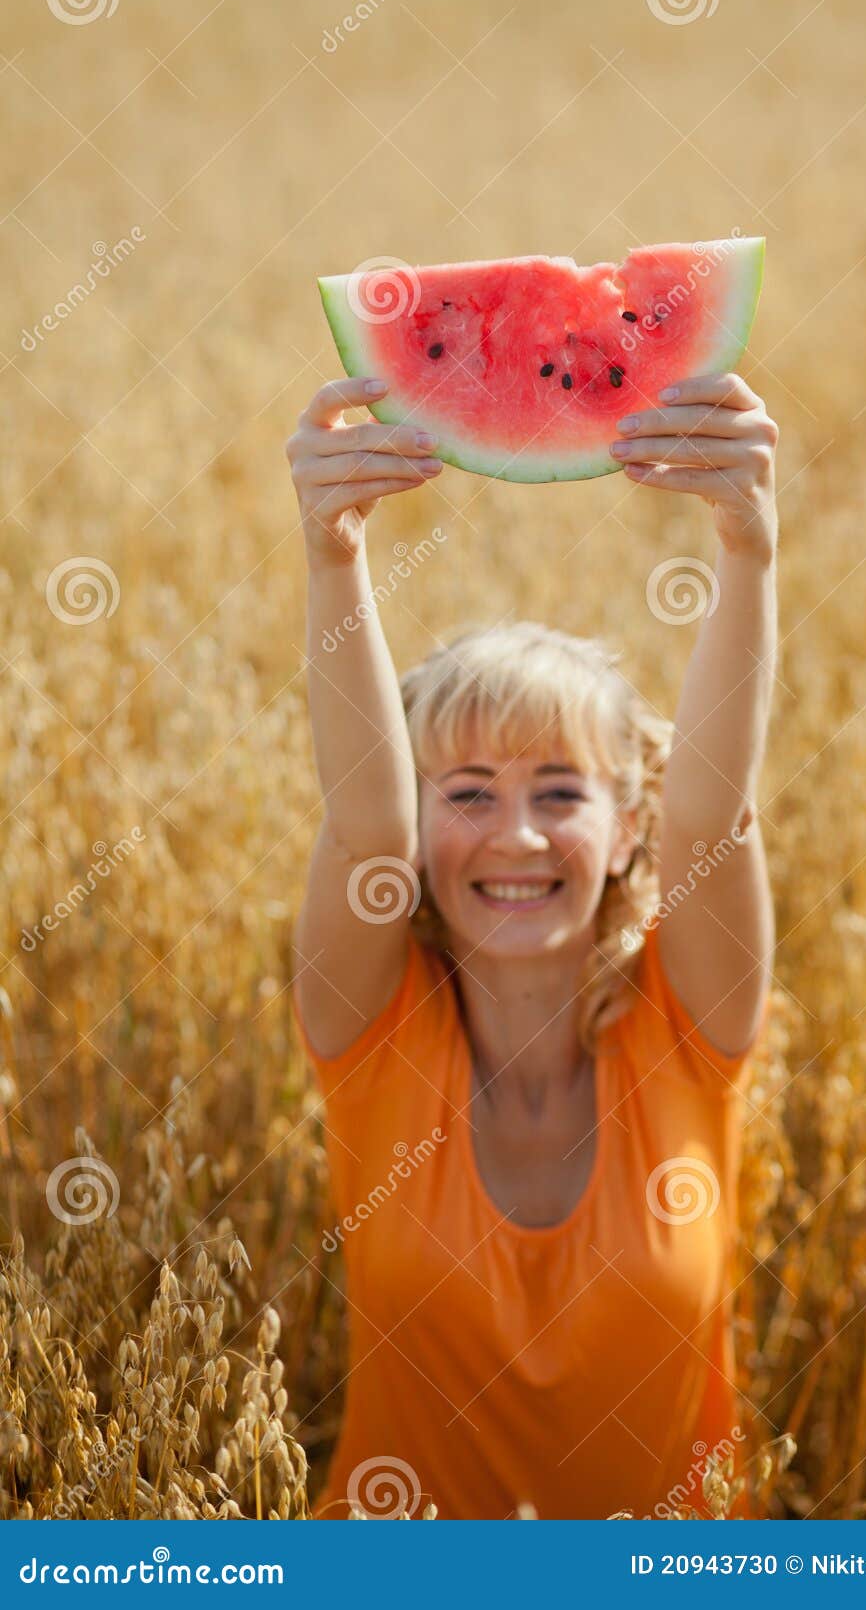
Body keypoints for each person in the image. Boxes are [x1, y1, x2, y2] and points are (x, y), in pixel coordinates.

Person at [285, 370, 779, 1519]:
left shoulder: (691, 1027)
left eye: (559, 789)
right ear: (414, 828)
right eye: (463, 792)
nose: (515, 835)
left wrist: (747, 551)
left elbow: (714, 810)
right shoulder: (370, 1033)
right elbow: (362, 817)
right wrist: (331, 556)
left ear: (625, 829)